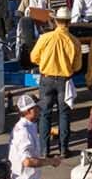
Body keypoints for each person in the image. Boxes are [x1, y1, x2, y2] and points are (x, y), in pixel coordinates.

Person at [28, 12, 81, 157]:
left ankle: (45, 150)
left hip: (47, 78)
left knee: (45, 114)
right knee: (64, 114)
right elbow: (77, 66)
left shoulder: (45, 37)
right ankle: (63, 149)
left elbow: (33, 57)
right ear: (69, 22)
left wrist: (45, 62)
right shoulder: (74, 41)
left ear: (56, 21)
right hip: (64, 80)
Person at [7, 93, 45, 179]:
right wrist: (50, 161)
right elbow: (27, 161)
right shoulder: (23, 131)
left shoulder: (30, 125)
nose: (39, 109)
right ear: (28, 111)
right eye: (36, 107)